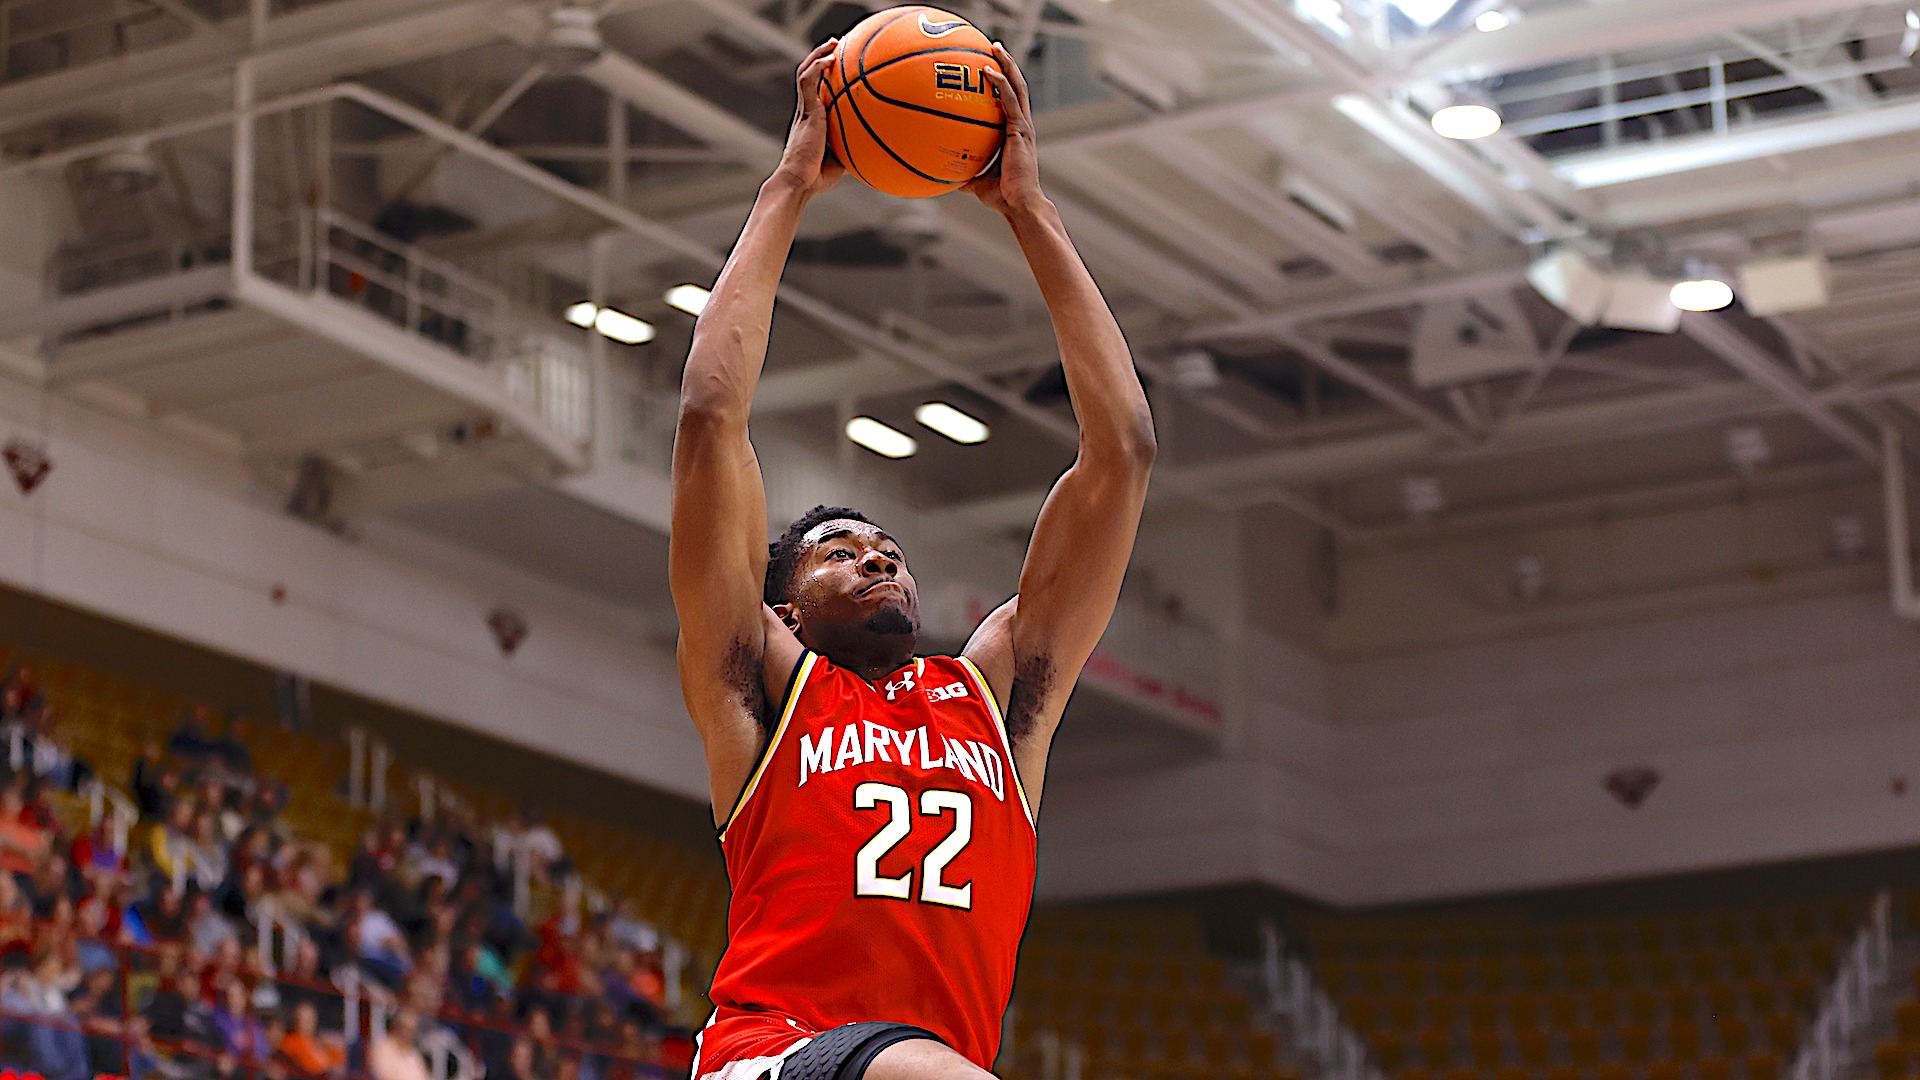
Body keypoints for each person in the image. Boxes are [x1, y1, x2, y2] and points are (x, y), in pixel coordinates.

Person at [671, 39, 1154, 1080]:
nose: (879, 560)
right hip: (776, 1058)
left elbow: (1123, 455)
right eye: (839, 553)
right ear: (786, 610)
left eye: (888, 548)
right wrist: (790, 183)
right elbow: (712, 417)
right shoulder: (760, 686)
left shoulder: (996, 693)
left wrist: (1029, 208)